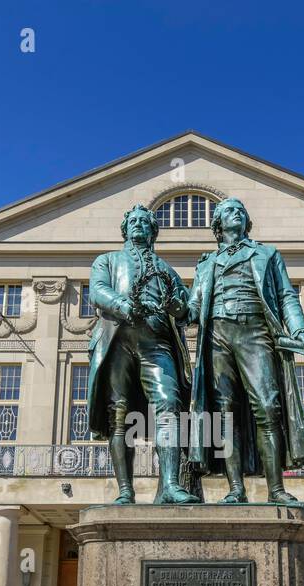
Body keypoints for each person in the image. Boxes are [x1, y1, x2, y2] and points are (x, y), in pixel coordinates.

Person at [187, 197, 304, 503]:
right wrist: (176, 308)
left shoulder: (267, 253)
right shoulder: (207, 263)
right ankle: (235, 489)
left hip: (255, 331)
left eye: (240, 210)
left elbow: (286, 295)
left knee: (267, 406)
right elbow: (194, 307)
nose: (235, 213)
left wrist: (300, 330)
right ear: (218, 224)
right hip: (217, 335)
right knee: (224, 414)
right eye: (227, 212)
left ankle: (276, 489)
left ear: (246, 220)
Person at [86, 204, 200, 505]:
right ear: (125, 230)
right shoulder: (107, 260)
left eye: (144, 222)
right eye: (133, 221)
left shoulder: (167, 270)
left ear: (153, 232)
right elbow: (97, 291)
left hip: (156, 343)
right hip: (117, 340)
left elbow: (189, 310)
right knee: (119, 415)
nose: (138, 225)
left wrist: (180, 308)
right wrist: (124, 306)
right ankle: (125, 490)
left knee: (169, 404)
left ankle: (171, 486)